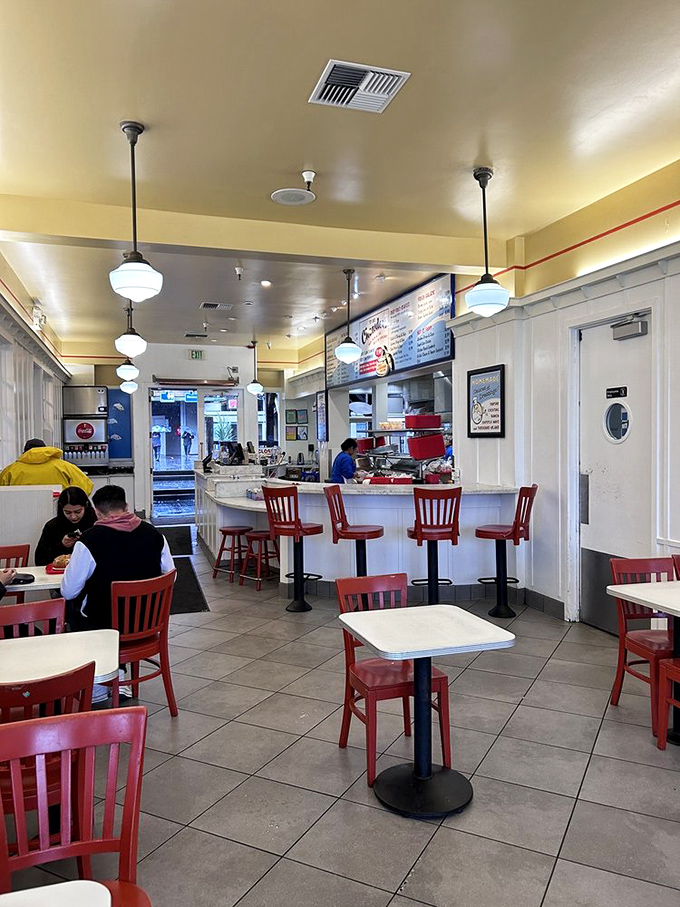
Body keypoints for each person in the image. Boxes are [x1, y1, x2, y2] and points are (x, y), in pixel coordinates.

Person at [60, 484, 174, 701]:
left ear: (97, 512)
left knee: (76, 608)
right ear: (127, 506)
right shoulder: (154, 534)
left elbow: (69, 591)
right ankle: (119, 679)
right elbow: (171, 575)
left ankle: (98, 683)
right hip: (146, 623)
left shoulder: (89, 541)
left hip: (104, 626)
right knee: (114, 610)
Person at [0, 439, 93, 494]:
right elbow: (86, 485)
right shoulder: (64, 466)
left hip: (20, 512)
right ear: (46, 449)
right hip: (59, 512)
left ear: (24, 453)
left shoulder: (10, 470)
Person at [35, 486, 97, 566]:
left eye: (78, 512)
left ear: (86, 506)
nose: (73, 517)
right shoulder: (52, 526)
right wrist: (62, 545)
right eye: (68, 512)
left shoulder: (96, 524)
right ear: (61, 509)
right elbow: (39, 560)